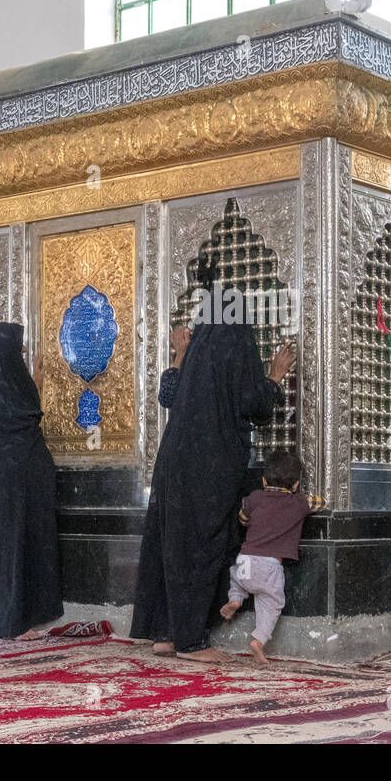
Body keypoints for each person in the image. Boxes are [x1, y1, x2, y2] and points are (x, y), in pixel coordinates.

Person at [130, 263, 297, 663]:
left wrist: (180, 353)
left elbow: (167, 394)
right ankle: (191, 642)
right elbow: (254, 404)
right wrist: (274, 376)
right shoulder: (236, 344)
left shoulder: (194, 353)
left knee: (174, 544)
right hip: (211, 466)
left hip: (173, 461)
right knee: (201, 548)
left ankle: (167, 634)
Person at [0, 321, 63, 639]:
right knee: (5, 550)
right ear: (2, 352)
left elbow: (21, 410)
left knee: (10, 550)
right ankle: (8, 622)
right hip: (0, 492)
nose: (21, 351)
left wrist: (34, 379)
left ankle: (12, 619)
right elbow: (23, 419)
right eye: (16, 346)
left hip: (0, 490)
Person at [219, 449, 311, 664]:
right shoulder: (297, 503)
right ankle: (258, 640)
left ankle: (235, 599)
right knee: (271, 602)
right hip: (268, 567)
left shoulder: (254, 497)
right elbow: (319, 502)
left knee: (239, 582)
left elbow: (242, 518)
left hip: (244, 560)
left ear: (263, 480)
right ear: (296, 485)